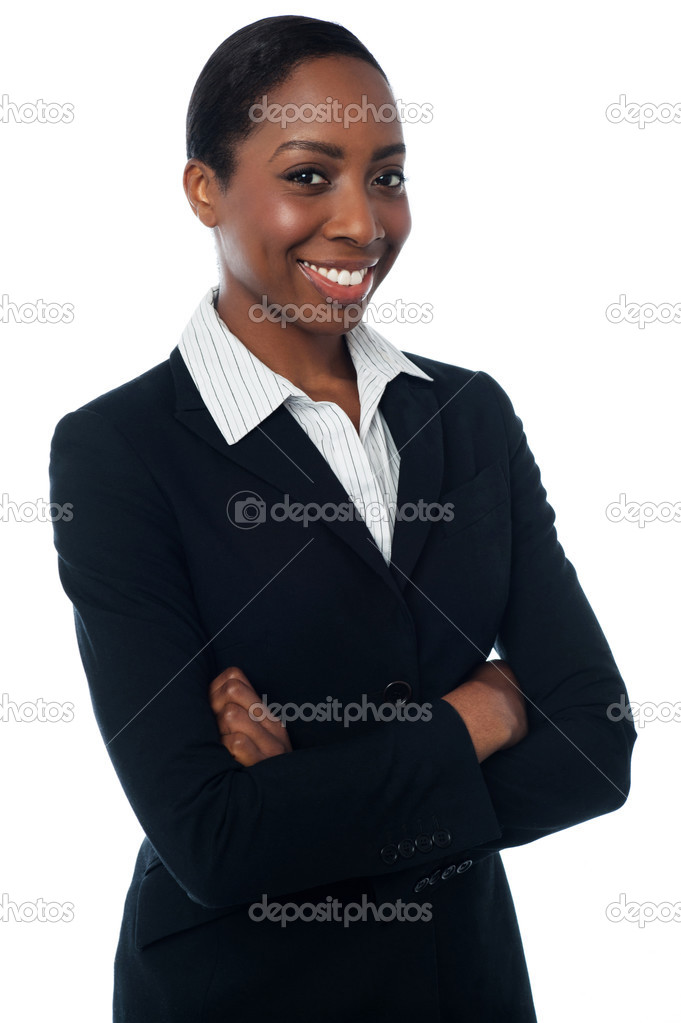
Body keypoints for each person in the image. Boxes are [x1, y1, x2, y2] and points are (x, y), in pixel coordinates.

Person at [49, 15, 636, 1022]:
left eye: (390, 176)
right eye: (312, 176)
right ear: (205, 191)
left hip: (467, 988)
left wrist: (305, 804)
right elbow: (214, 842)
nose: (364, 224)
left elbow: (595, 751)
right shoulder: (117, 451)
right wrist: (482, 715)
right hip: (239, 995)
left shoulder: (468, 414)